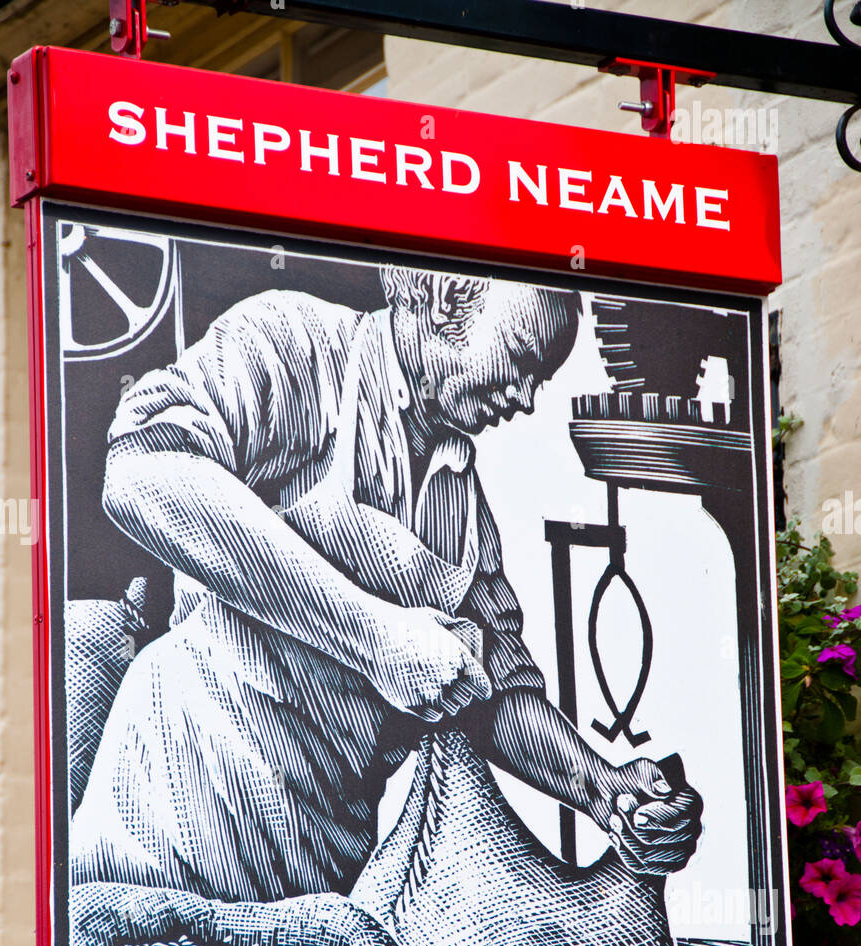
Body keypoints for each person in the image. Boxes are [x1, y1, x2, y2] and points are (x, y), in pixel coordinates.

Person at [70, 264, 702, 905]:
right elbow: (142, 470)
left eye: (541, 380)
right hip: (179, 814)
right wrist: (376, 637)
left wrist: (606, 790)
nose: (525, 398)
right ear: (446, 299)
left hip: (325, 875)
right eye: (521, 359)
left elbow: (494, 694)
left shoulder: (463, 506)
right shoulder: (295, 343)